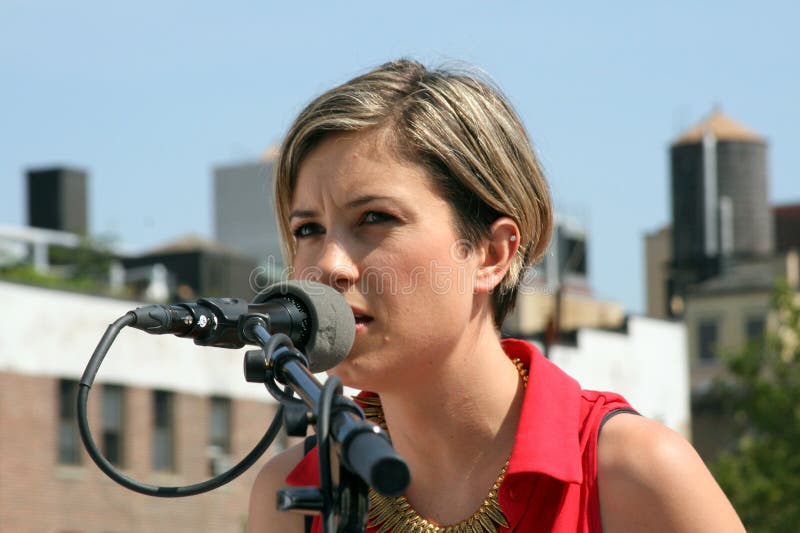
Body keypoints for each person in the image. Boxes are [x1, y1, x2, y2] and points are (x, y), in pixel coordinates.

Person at [247, 59, 744, 532]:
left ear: (491, 254)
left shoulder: (635, 474)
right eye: (308, 228)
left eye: (374, 218)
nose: (329, 265)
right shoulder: (296, 495)